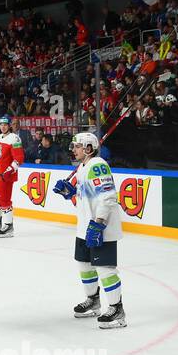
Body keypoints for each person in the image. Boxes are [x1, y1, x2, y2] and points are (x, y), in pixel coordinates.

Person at [52, 132, 126, 329]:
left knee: (105, 268)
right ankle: (93, 301)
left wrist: (99, 223)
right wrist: (70, 193)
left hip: (101, 227)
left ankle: (117, 310)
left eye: (77, 146)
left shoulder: (98, 165)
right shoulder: (82, 168)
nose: (73, 149)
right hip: (84, 226)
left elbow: (108, 197)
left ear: (89, 148)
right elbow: (85, 197)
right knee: (84, 264)